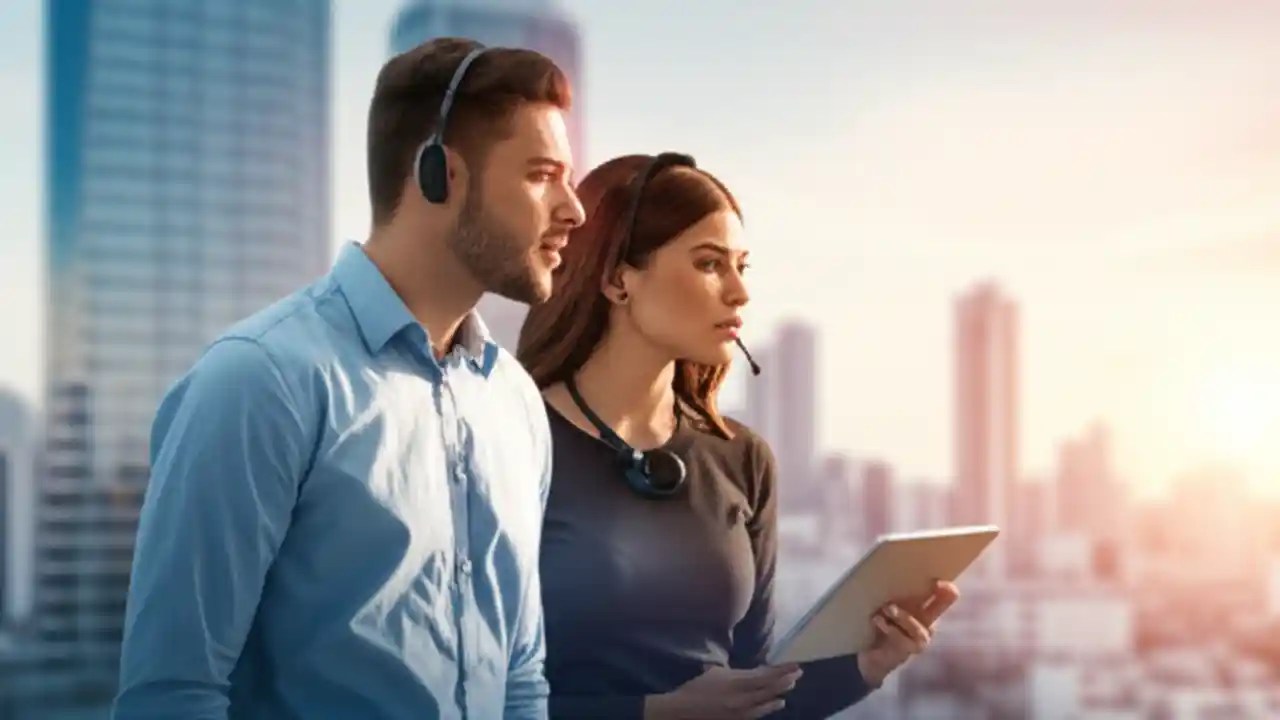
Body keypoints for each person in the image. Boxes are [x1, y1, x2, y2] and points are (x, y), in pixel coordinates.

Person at [112, 37, 585, 719]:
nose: (574, 210)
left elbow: (519, 678)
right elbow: (172, 694)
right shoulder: (260, 382)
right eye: (542, 175)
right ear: (440, 175)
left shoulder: (514, 402)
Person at [517, 152, 961, 719]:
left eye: (741, 267)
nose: (739, 292)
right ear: (618, 279)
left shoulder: (742, 458)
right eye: (709, 264)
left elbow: (756, 695)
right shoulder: (514, 439)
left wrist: (866, 667)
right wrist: (655, 713)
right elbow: (470, 694)